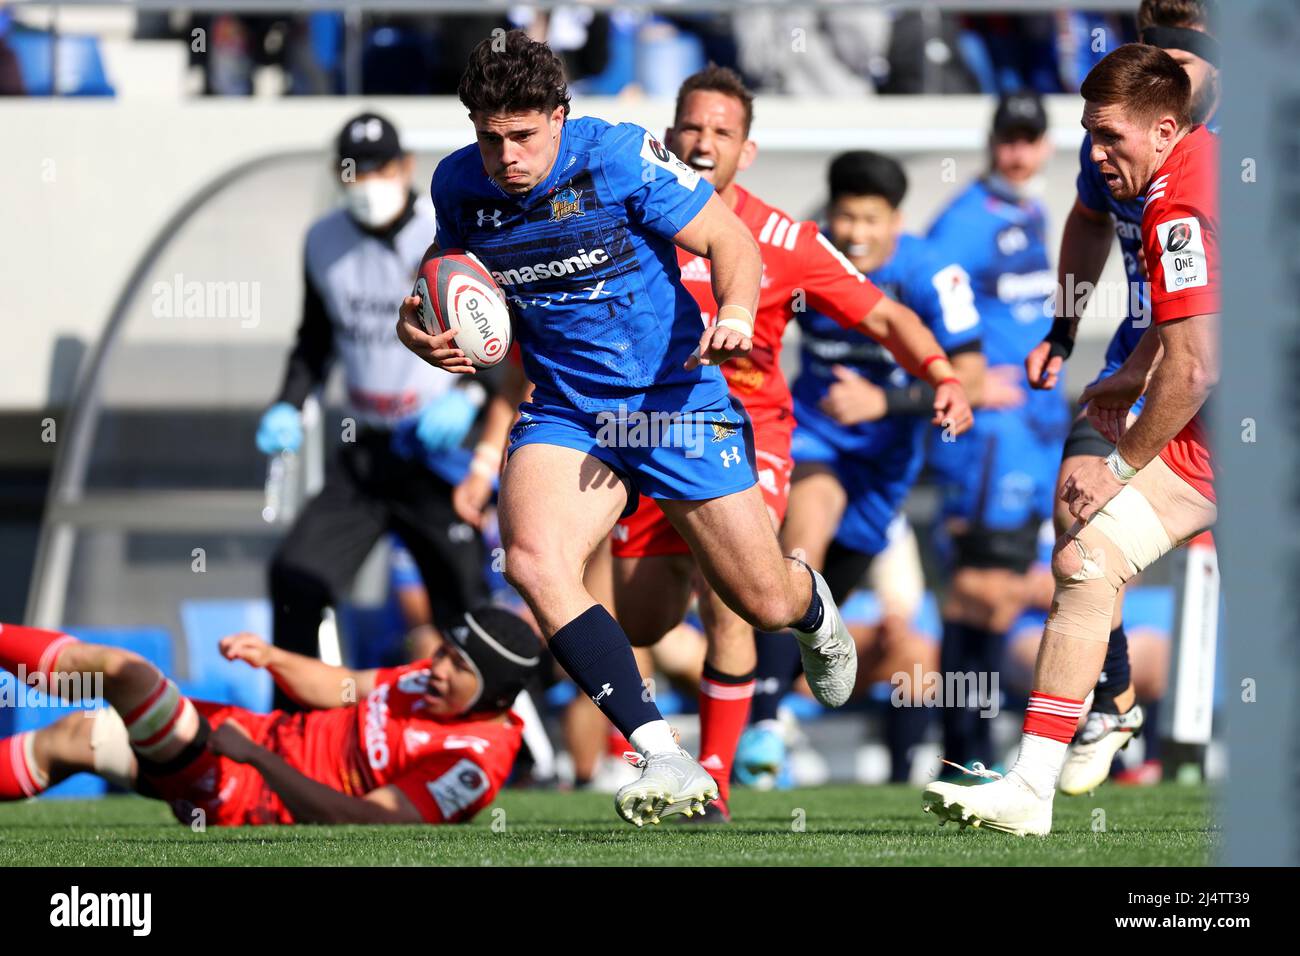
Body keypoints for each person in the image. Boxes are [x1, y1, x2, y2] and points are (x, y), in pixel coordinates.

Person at [396, 32, 864, 827]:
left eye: (522, 134)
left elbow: (729, 239)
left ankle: (809, 606)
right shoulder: (457, 185)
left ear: (559, 116)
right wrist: (420, 332)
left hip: (674, 400)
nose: (505, 155)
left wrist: (741, 313)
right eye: (488, 135)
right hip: (568, 411)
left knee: (758, 602)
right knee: (536, 560)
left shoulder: (616, 156)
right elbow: (440, 283)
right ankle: (664, 754)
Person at [924, 42, 1218, 835]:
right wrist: (1134, 366)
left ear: (1164, 129)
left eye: (1110, 137)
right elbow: (1194, 329)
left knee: (1086, 535)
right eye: (1088, 134)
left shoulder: (1175, 205)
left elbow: (1195, 373)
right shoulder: (1189, 170)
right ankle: (1038, 782)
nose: (1094, 154)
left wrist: (1120, 466)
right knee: (1087, 558)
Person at [1023, 0, 1220, 795]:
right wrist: (1066, 330)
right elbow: (1087, 219)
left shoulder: (1215, 148)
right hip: (1155, 361)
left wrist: (1150, 370)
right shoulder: (1124, 121)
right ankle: (1110, 702)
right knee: (1078, 519)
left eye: (1193, 58)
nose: (1181, 70)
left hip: (1197, 372)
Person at [740, 149, 984, 787]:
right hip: (815, 444)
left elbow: (975, 379)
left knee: (818, 613)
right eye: (846, 217)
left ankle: (770, 709)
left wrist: (886, 399)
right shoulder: (806, 255)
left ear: (896, 220)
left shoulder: (933, 274)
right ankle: (763, 724)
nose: (855, 233)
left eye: (870, 220)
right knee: (801, 544)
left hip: (886, 474)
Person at [257, 111, 493, 709]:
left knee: (465, 602)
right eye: (354, 171)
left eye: (380, 168)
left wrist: (470, 397)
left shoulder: (447, 235)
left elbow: (499, 337)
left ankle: (501, 739)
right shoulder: (323, 241)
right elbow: (315, 340)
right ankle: (297, 728)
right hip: (364, 451)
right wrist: (289, 404)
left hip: (437, 450)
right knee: (296, 576)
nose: (367, 181)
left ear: (405, 167)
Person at [0, 610, 538, 824]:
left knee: (124, 673)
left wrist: (257, 760)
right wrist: (273, 657)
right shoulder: (440, 685)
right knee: (69, 738)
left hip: (249, 787)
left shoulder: (471, 764)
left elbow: (370, 823)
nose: (436, 667)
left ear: (492, 697)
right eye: (442, 651)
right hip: (248, 741)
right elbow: (340, 686)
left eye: (457, 665)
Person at [923, 91, 1067, 775]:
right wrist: (967, 377)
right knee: (980, 588)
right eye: (1007, 138)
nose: (1018, 152)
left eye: (1029, 139)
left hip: (1036, 429)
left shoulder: (1031, 209)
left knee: (1008, 587)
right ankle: (962, 752)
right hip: (994, 434)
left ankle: (978, 748)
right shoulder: (966, 218)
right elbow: (918, 292)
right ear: (991, 141)